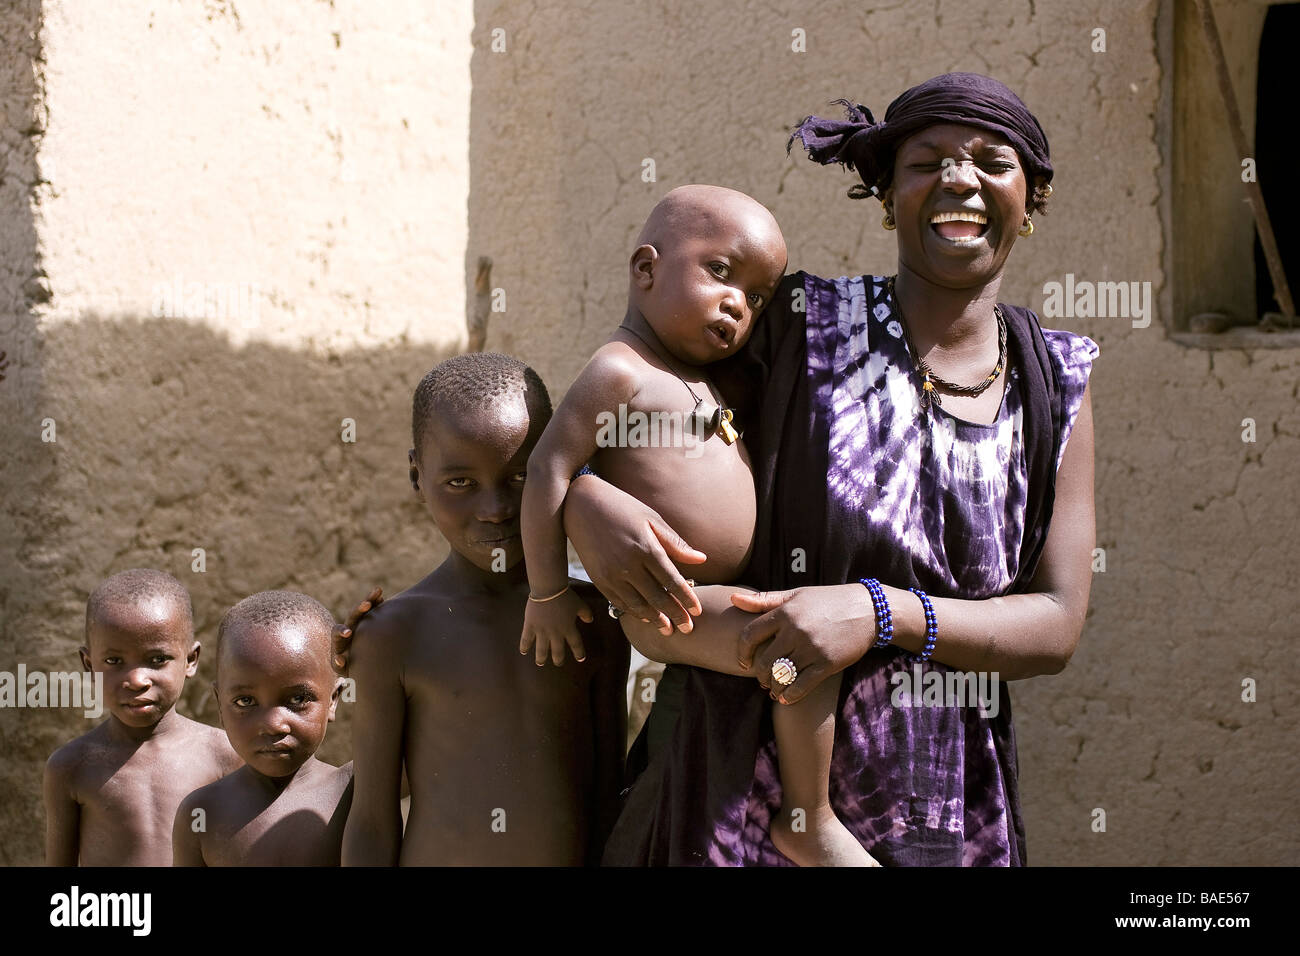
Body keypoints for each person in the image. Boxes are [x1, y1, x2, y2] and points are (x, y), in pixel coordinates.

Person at [561, 73, 1098, 865]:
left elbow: (1054, 626)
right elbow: (635, 420)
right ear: (887, 196)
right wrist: (580, 500)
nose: (959, 179)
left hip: (944, 803)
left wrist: (877, 613)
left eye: (992, 160)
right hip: (736, 792)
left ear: (1032, 197)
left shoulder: (1057, 378)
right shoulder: (802, 329)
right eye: (927, 162)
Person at [519, 185, 874, 866]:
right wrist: (547, 593)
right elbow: (547, 473)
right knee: (795, 649)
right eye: (720, 272)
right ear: (647, 269)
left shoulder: (715, 380)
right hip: (664, 603)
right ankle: (810, 820)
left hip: (712, 597)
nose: (739, 304)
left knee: (805, 640)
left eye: (758, 297)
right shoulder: (619, 371)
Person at [340, 352, 629, 865]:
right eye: (460, 483)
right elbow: (371, 820)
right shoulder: (394, 635)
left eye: (520, 477)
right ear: (416, 475)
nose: (494, 508)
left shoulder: (596, 619)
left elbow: (608, 800)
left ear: (557, 468)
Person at [43, 568, 242, 865]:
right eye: (113, 661)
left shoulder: (223, 753)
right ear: (89, 664)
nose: (136, 679)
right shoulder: (72, 767)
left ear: (190, 660)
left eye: (157, 659)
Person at [172, 590, 353, 866]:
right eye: (245, 701)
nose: (273, 724)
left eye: (297, 699)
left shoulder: (353, 791)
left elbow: (438, 743)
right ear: (220, 706)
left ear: (333, 700)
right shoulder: (202, 813)